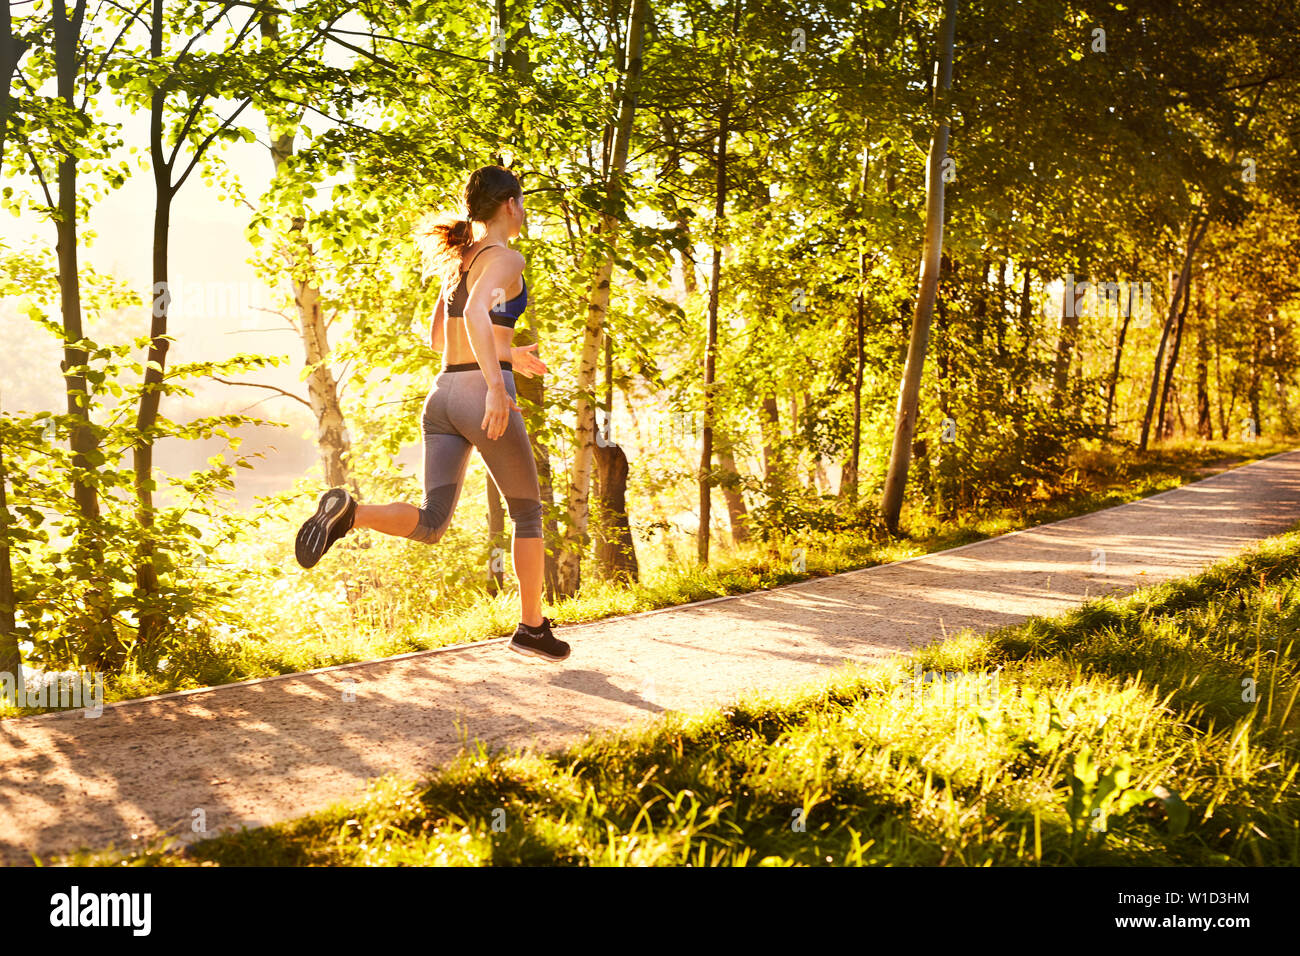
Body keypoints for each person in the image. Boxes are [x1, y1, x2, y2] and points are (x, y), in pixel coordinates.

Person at [293, 165, 569, 663]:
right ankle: (532, 627)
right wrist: (493, 385)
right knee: (527, 512)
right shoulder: (506, 257)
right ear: (510, 205)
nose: (525, 212)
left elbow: (441, 341)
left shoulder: (459, 262)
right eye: (523, 203)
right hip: (480, 395)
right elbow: (480, 316)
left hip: (441, 396)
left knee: (432, 522)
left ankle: (349, 515)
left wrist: (512, 355)